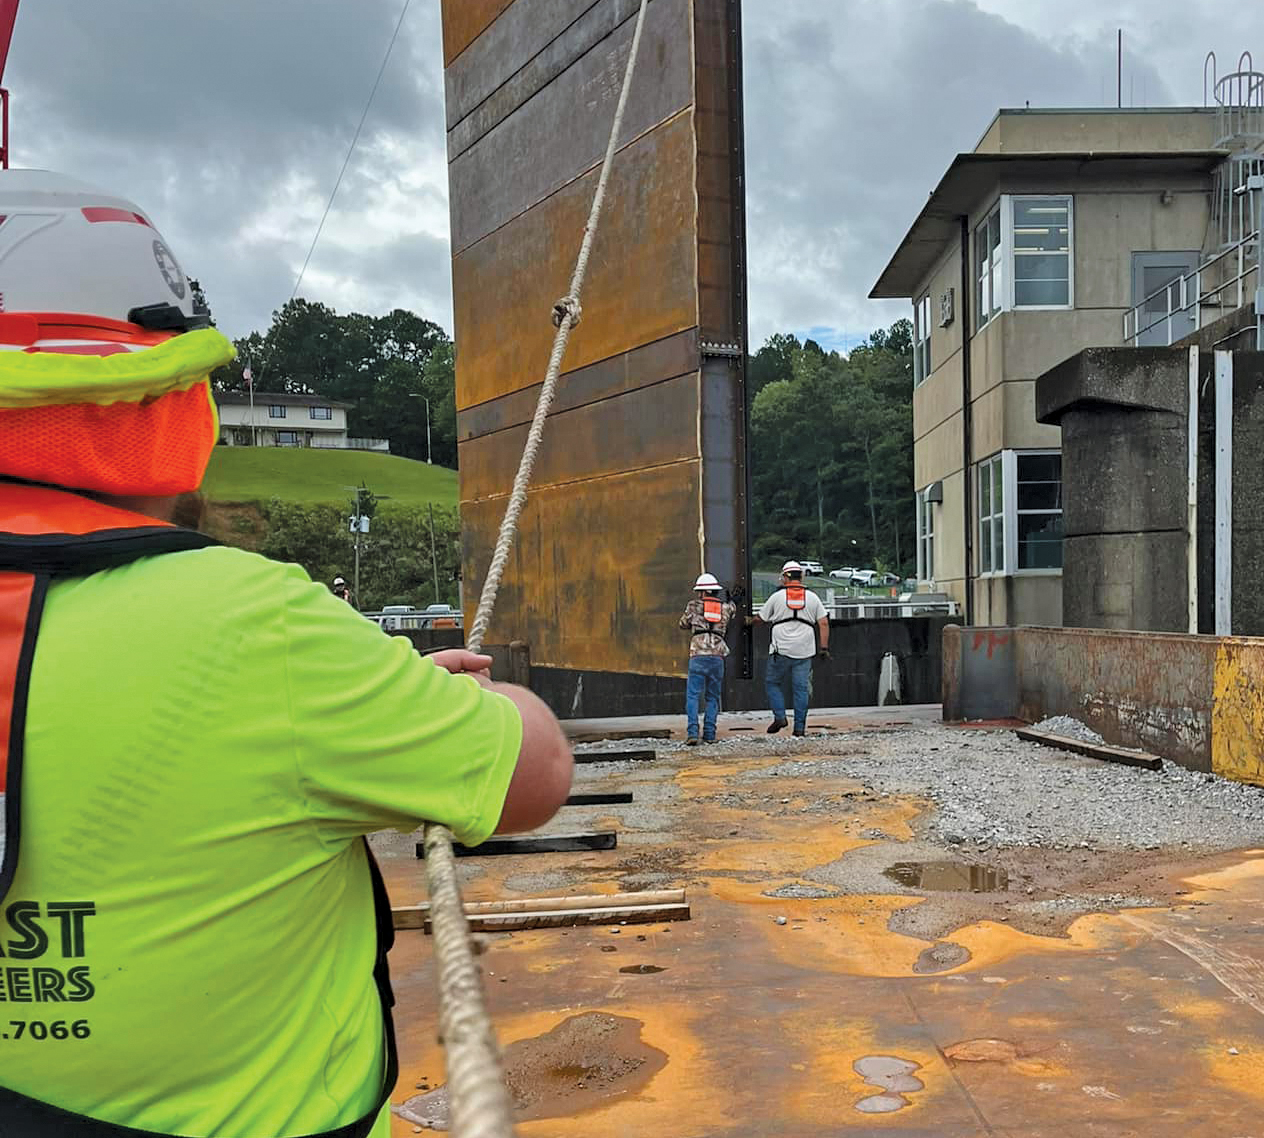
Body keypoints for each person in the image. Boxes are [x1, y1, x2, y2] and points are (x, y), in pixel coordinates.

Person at [0, 170, 573, 1138]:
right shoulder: (257, 627)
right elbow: (532, 778)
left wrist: (371, 704)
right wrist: (440, 701)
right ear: (167, 399)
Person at [754, 560, 829, 736]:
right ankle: (799, 728)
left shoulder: (777, 597)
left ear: (785, 577)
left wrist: (750, 621)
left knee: (772, 683)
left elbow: (761, 619)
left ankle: (780, 716)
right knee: (801, 689)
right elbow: (824, 623)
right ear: (801, 576)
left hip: (781, 649)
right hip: (804, 650)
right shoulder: (813, 597)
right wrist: (824, 647)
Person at [677, 572, 736, 746]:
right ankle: (710, 734)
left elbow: (682, 624)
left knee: (693, 695)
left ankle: (693, 733)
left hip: (698, 655)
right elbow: (732, 610)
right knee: (712, 697)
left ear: (702, 592)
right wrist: (732, 601)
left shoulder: (693, 606)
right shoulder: (725, 608)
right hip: (717, 656)